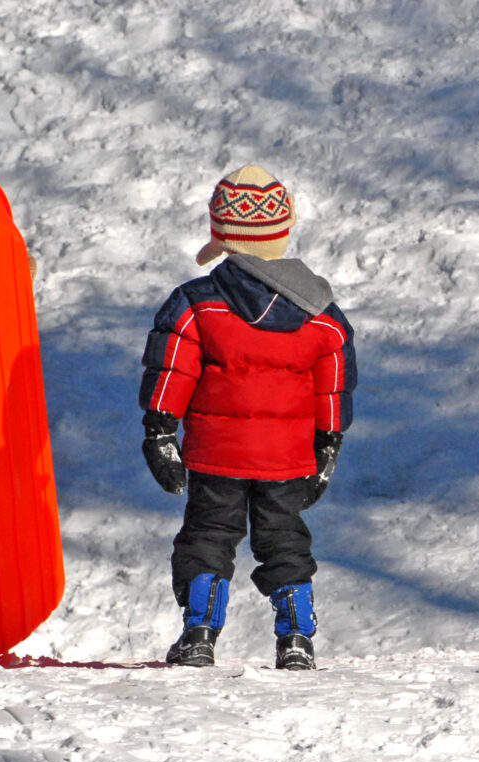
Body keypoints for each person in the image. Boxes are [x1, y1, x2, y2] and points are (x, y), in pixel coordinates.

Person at [138, 165, 357, 671]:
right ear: (282, 230)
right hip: (286, 457)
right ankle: (297, 637)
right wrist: (328, 442)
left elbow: (171, 368)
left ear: (221, 234)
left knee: (208, 535)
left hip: (216, 454)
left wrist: (160, 430)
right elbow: (335, 377)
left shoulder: (197, 304)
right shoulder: (320, 311)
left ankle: (199, 634)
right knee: (284, 538)